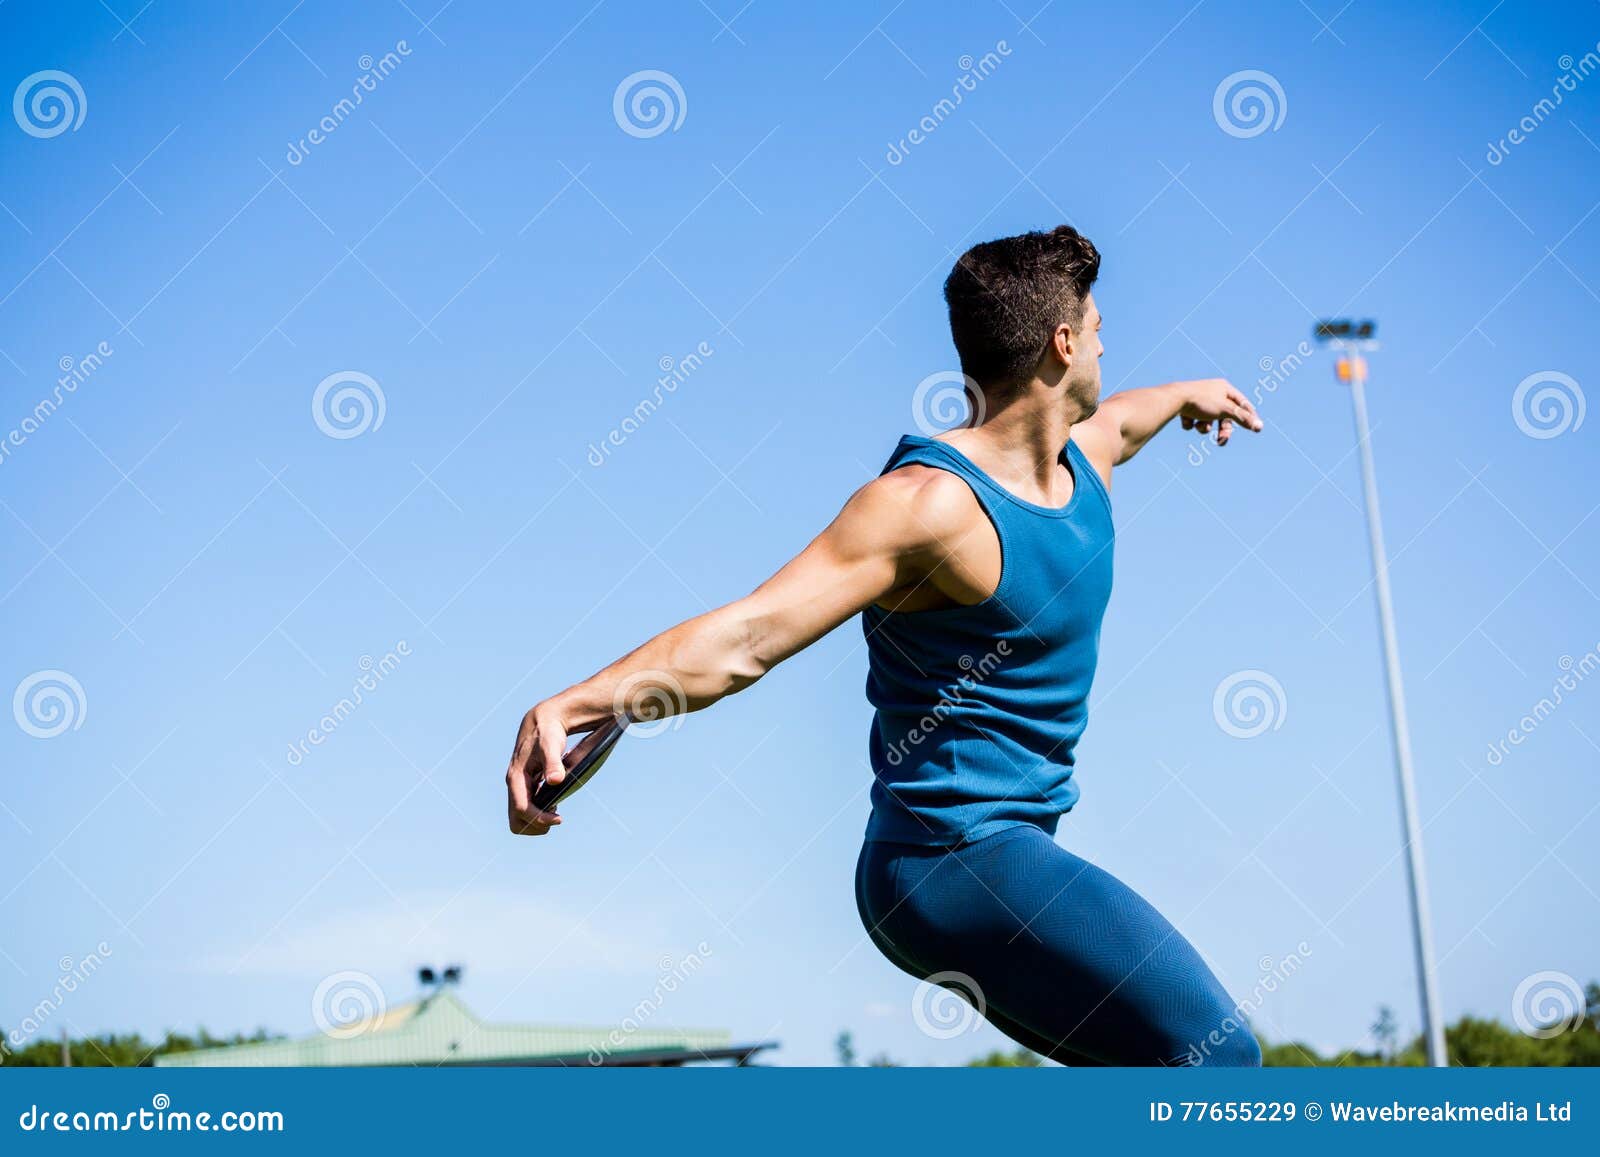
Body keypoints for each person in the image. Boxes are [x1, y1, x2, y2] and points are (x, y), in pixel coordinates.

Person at [504, 225, 1265, 1066]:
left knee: (1146, 1066)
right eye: (1093, 327)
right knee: (1220, 1056)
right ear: (1060, 344)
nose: (1103, 343)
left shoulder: (1084, 459)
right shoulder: (929, 508)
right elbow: (748, 637)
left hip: (1011, 851)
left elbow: (1129, 417)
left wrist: (1196, 392)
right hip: (947, 858)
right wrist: (571, 702)